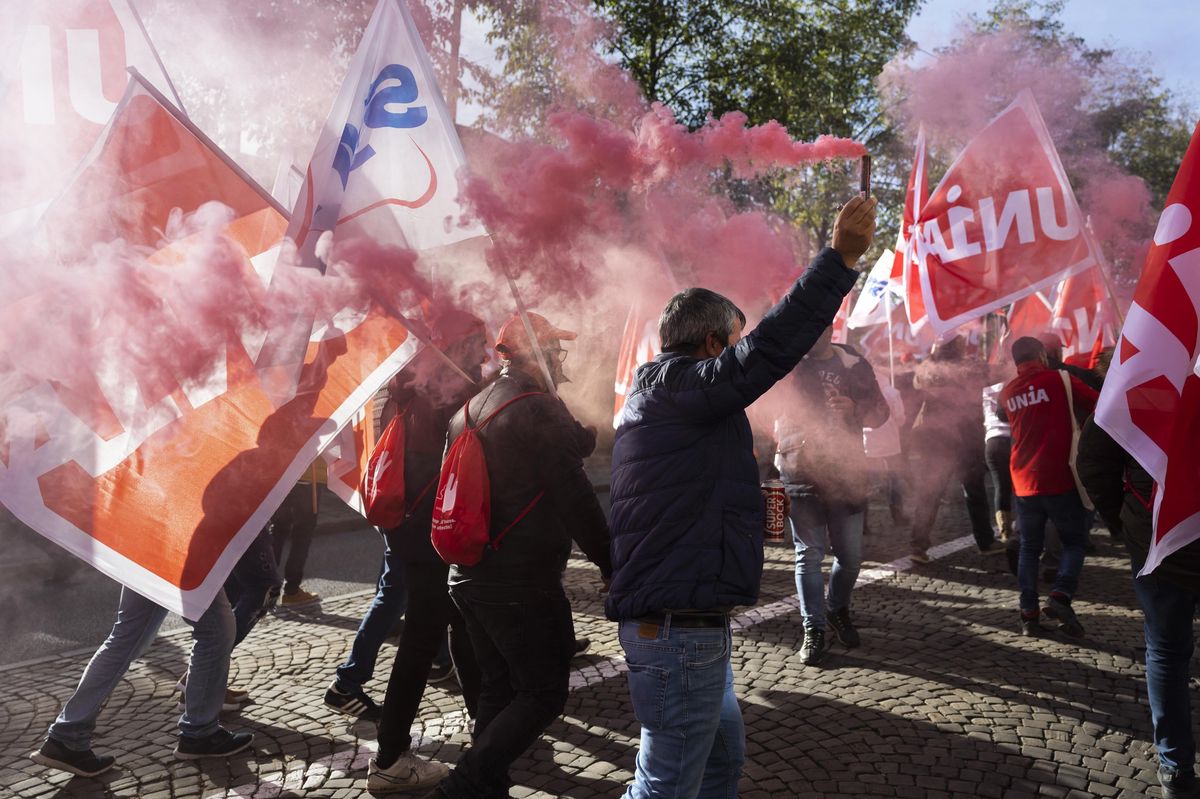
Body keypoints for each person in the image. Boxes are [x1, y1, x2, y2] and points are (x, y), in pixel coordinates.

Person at [607, 195, 875, 798]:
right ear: (709, 344)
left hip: (688, 621)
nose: (737, 351)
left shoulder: (666, 396)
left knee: (722, 764)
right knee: (665, 787)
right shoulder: (684, 388)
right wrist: (837, 262)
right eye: (732, 343)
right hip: (680, 629)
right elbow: (771, 349)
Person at [426, 312, 613, 799]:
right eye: (553, 348)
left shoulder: (470, 408)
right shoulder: (538, 408)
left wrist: (575, 433)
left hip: (468, 574)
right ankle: (464, 785)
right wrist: (613, 564)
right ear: (534, 354)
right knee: (544, 691)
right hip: (520, 579)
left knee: (499, 687)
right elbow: (576, 499)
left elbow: (540, 453)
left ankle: (487, 787)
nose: (559, 357)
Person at [365, 311, 489, 793]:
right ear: (456, 347)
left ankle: (484, 721)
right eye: (476, 342)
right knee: (421, 638)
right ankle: (391, 756)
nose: (482, 353)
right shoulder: (449, 396)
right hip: (431, 531)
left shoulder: (404, 389)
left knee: (459, 618)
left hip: (410, 528)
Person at [1077, 416, 1200, 799]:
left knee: (1166, 651)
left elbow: (1093, 458)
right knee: (1166, 650)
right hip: (1156, 536)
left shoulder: (1147, 360)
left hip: (1157, 535)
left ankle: (1176, 766)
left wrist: (1128, 521)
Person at [30, 588, 252, 776]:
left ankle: (66, 735)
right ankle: (200, 732)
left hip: (148, 547)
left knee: (127, 635)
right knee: (217, 628)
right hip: (180, 546)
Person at [774, 328, 888, 665]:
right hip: (800, 470)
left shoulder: (854, 363)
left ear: (829, 328)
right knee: (808, 554)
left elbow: (881, 413)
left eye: (819, 326)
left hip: (847, 472)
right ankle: (814, 628)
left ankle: (837, 607)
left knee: (851, 556)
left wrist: (855, 408)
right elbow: (764, 406)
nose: (813, 333)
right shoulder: (788, 364)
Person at [999, 336, 1098, 637]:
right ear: (1042, 355)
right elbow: (1098, 404)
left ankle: (1028, 613)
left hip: (1024, 480)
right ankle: (1060, 596)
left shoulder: (1007, 392)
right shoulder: (1061, 380)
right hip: (1060, 475)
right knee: (1074, 542)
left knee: (1030, 547)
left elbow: (1006, 417)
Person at [908, 336, 1006, 562]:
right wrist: (1001, 345)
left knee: (930, 494)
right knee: (974, 493)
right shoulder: (968, 367)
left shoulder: (927, 368)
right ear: (956, 345)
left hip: (935, 441)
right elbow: (996, 375)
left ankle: (917, 545)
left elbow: (916, 385)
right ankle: (985, 541)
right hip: (964, 440)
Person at [270, 464, 323, 607]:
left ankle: (266, 588)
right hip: (307, 478)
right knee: (302, 535)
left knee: (278, 531)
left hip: (282, 475)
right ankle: (291, 590)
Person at [982, 380, 1015, 542]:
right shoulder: (1012, 385)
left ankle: (1005, 532)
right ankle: (1025, 529)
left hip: (991, 441)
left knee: (1000, 486)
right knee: (1019, 488)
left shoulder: (986, 390)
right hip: (1010, 439)